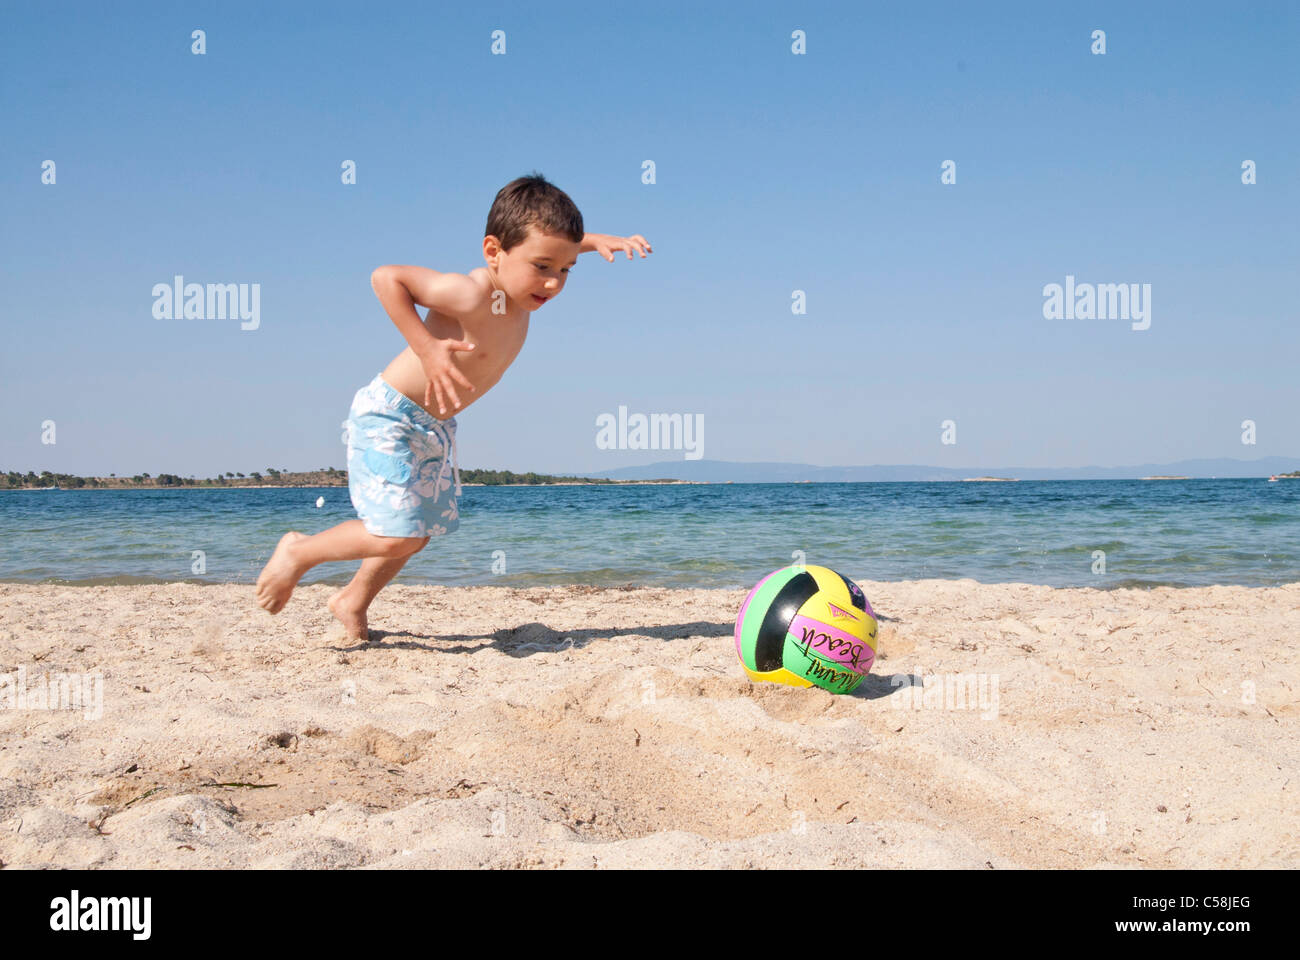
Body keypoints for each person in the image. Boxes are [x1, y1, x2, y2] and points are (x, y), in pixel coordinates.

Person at [255, 173, 651, 639]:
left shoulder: (521, 291)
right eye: (543, 266)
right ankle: (298, 552)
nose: (554, 282)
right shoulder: (472, 292)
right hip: (391, 416)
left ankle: (352, 601)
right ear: (492, 252)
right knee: (399, 533)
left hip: (435, 424)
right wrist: (425, 346)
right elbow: (386, 279)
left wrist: (595, 242)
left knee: (415, 532)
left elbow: (551, 247)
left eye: (565, 270)